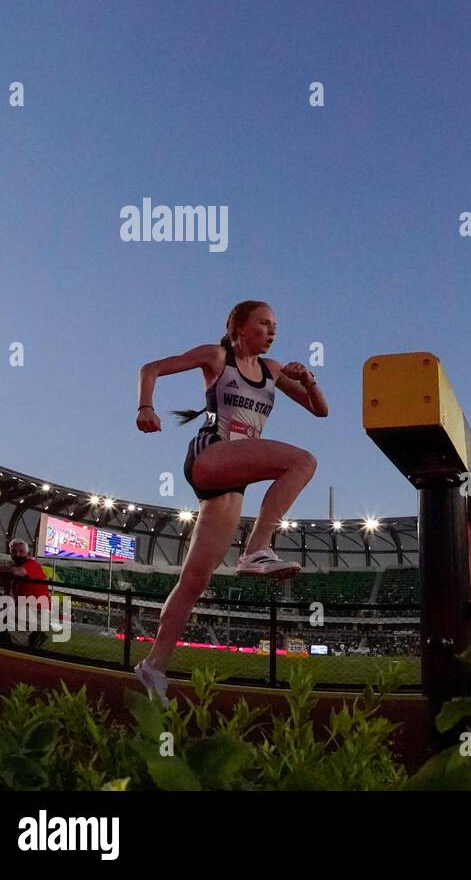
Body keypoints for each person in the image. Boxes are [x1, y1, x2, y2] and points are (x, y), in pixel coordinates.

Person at [132, 300, 327, 702]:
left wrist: (309, 380)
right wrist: (146, 406)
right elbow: (149, 368)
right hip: (210, 453)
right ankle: (257, 549)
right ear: (239, 328)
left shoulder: (272, 371)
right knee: (303, 461)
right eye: (264, 324)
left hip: (232, 478)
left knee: (195, 580)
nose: (273, 331)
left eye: (276, 325)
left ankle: (153, 667)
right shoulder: (217, 357)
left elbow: (319, 410)